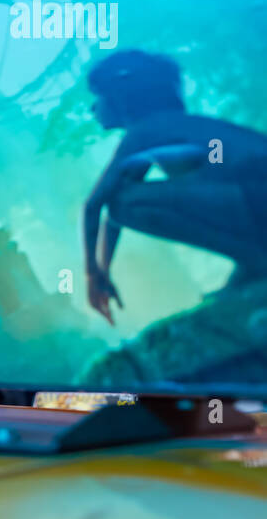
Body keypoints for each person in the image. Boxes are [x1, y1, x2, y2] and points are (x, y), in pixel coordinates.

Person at [82, 50, 267, 325]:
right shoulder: (164, 129)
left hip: (254, 197)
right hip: (251, 200)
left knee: (124, 202)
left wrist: (92, 275)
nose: (93, 109)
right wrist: (104, 270)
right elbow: (111, 216)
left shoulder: (145, 131)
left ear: (121, 100)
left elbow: (96, 205)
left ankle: (257, 260)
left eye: (99, 98)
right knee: (123, 200)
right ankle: (252, 260)